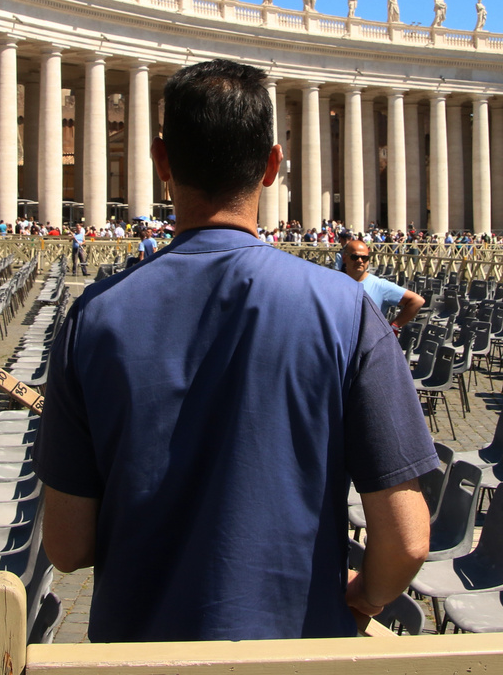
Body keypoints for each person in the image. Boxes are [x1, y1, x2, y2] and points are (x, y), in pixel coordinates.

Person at [36, 59, 436, 642]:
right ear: (273, 165)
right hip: (295, 648)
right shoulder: (347, 310)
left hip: (141, 651)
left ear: (161, 161)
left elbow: (68, 547)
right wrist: (363, 598)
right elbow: (407, 539)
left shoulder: (93, 316)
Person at [338, 239, 424, 328]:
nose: (360, 261)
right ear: (344, 258)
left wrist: (394, 326)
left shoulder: (380, 285)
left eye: (364, 258)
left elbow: (417, 301)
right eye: (355, 257)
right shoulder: (335, 282)